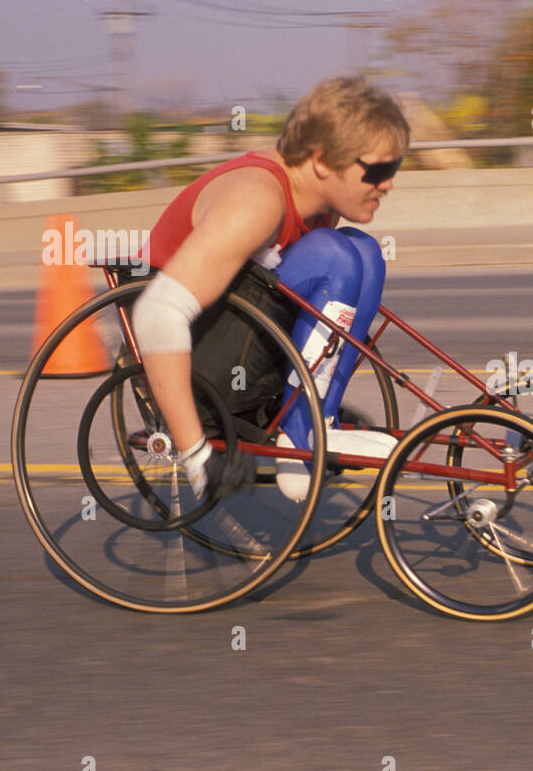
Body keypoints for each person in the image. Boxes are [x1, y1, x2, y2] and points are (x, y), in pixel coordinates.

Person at [130, 74, 409, 501]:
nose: (388, 184)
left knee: (363, 254)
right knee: (336, 255)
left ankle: (315, 425)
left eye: (394, 169)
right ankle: (301, 438)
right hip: (193, 366)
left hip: (240, 347)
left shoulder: (317, 204)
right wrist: (195, 455)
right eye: (377, 170)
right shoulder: (256, 200)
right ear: (321, 162)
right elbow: (155, 314)